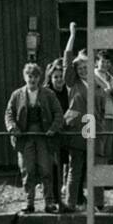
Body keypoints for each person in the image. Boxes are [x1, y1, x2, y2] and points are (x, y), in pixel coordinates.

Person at [4, 63, 63, 213]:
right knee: (27, 169)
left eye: (35, 76)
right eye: (29, 76)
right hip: (25, 138)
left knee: (46, 169)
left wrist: (53, 129)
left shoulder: (48, 94)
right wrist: (13, 128)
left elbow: (58, 113)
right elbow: (9, 114)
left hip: (44, 137)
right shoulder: (17, 95)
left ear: (39, 78)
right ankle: (29, 202)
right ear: (25, 77)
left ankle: (49, 202)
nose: (32, 79)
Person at [61, 25, 106, 211]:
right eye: (78, 67)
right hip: (77, 129)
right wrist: (72, 35)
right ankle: (70, 203)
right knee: (75, 168)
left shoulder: (98, 85)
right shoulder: (73, 83)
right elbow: (67, 58)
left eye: (84, 66)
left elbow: (101, 108)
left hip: (93, 128)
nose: (81, 69)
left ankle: (98, 204)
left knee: (95, 168)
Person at [44, 58, 70, 207]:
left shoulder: (68, 91)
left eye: (61, 77)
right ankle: (54, 197)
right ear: (51, 78)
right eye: (56, 77)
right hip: (53, 133)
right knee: (54, 166)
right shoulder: (47, 93)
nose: (59, 79)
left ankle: (71, 196)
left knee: (69, 162)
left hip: (67, 132)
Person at [95, 52, 113, 165]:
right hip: (99, 116)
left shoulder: (111, 78)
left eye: (108, 62)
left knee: (108, 148)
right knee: (99, 146)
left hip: (110, 113)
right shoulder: (93, 76)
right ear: (96, 62)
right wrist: (105, 92)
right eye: (103, 61)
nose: (105, 64)